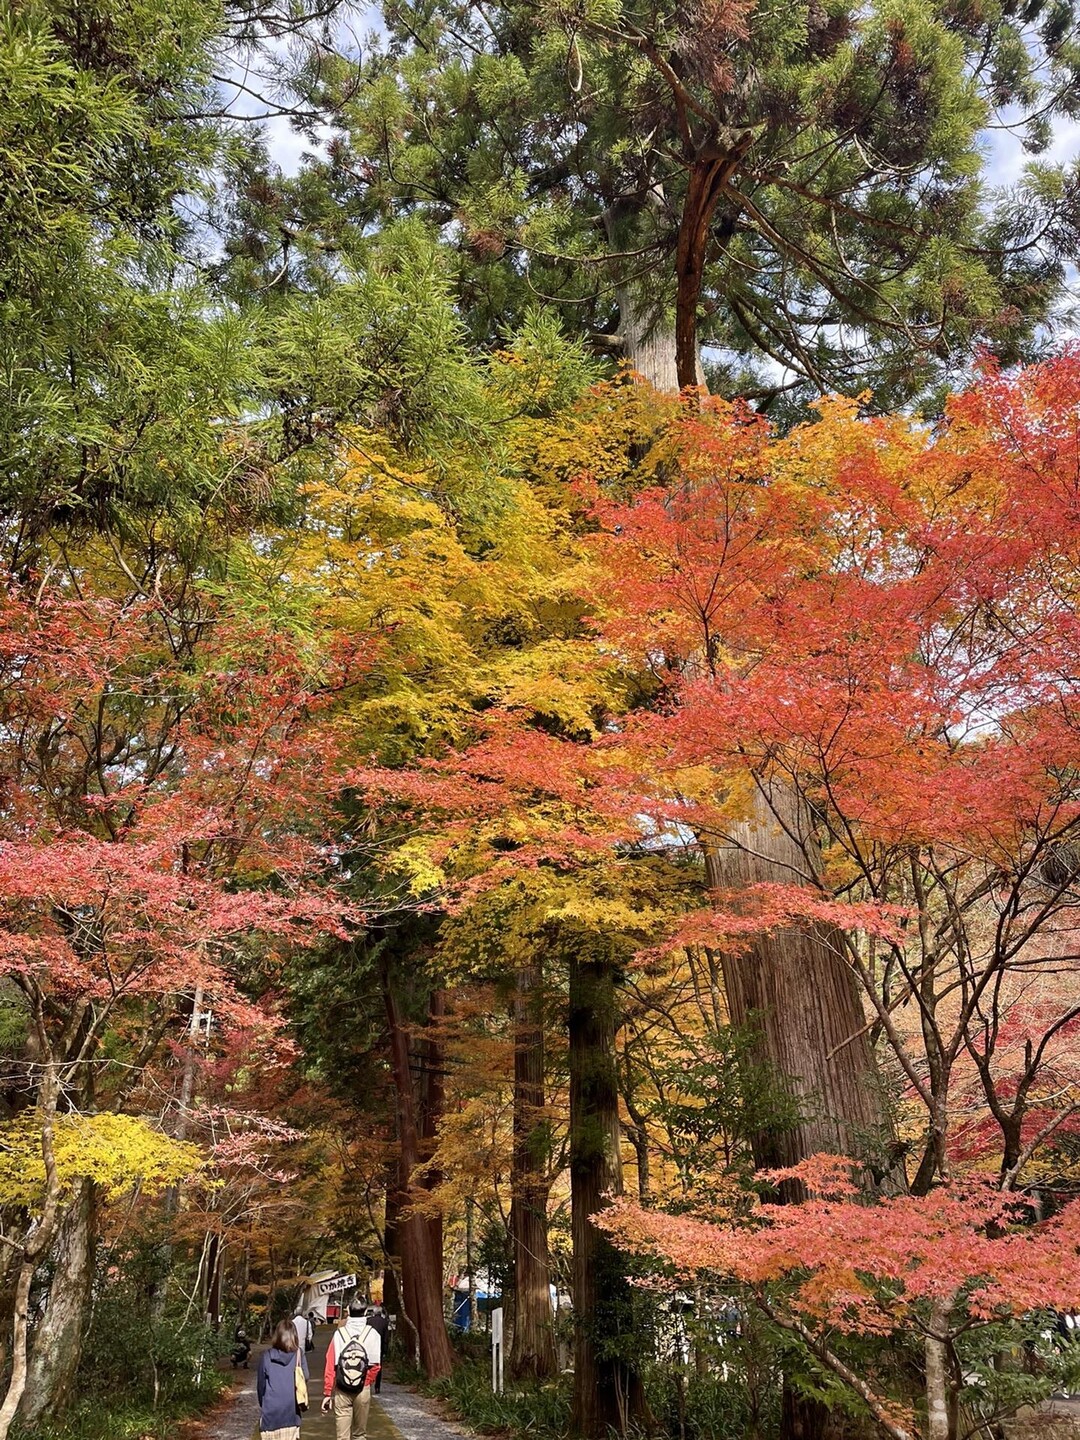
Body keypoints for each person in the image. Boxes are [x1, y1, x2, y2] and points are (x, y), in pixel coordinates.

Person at [321, 1296, 381, 1440]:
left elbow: (330, 1364)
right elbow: (376, 1366)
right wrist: (366, 1382)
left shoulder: (339, 1334)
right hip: (362, 1389)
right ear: (366, 1311)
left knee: (342, 1436)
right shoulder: (373, 1334)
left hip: (342, 1389)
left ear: (348, 1311)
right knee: (360, 1435)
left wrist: (327, 1393)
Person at [256, 1318, 309, 1440]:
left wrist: (264, 1405)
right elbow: (305, 1377)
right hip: (291, 1414)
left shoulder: (266, 1356)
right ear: (294, 1336)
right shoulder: (298, 1354)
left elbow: (261, 1387)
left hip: (270, 1415)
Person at [365, 1305, 389, 1394]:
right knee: (378, 1366)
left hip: (369, 1346)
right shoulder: (384, 1322)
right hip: (379, 1347)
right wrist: (386, 1349)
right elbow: (386, 1337)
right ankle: (377, 1387)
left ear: (374, 1313)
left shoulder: (368, 1321)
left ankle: (368, 1384)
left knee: (368, 1365)